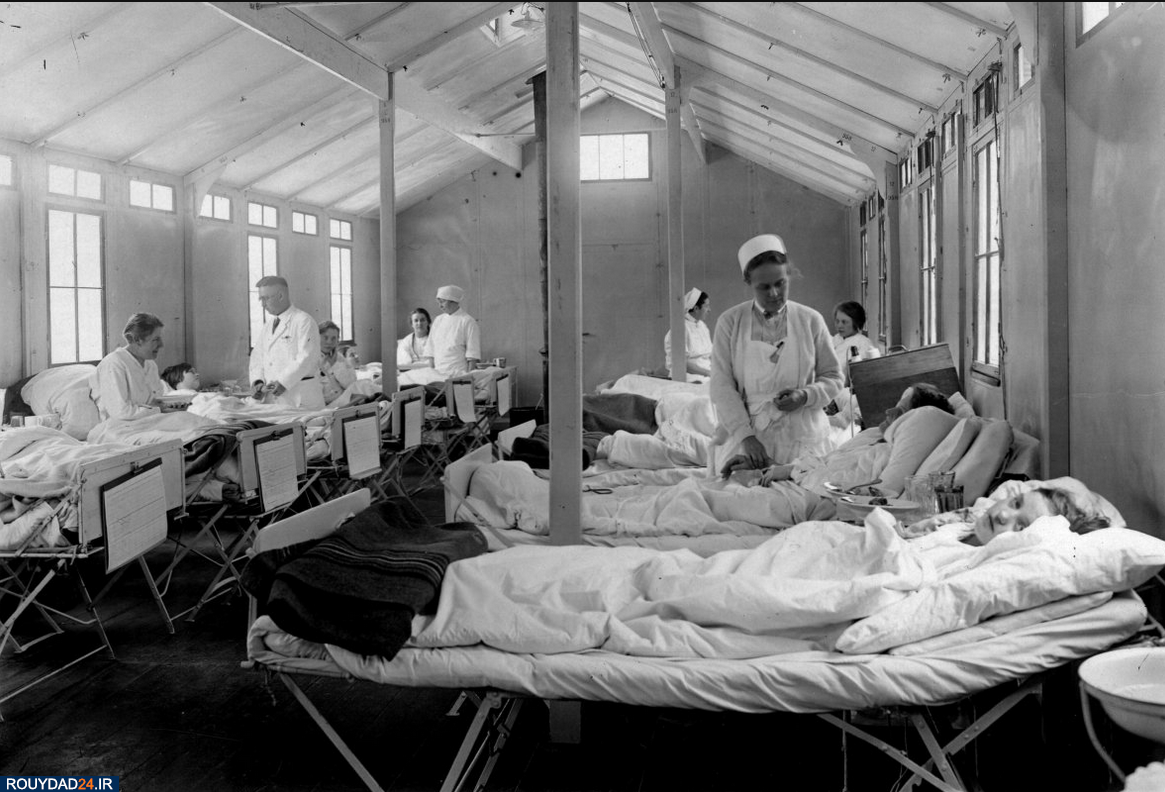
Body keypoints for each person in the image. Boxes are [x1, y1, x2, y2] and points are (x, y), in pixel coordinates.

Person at [711, 233, 842, 478]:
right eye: (764, 287)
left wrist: (805, 395)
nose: (773, 293)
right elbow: (721, 386)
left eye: (780, 283)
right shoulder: (730, 322)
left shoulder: (810, 320)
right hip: (751, 437)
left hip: (804, 436)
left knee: (805, 487)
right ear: (748, 283)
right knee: (744, 492)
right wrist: (746, 437)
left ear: (788, 275)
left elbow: (834, 377)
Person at [248, 275, 324, 409]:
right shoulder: (268, 326)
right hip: (274, 399)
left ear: (281, 296)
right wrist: (257, 381)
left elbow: (307, 357)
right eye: (261, 299)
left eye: (266, 298)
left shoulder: (303, 321)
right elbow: (257, 356)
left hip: (300, 399)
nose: (262, 304)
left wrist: (284, 382)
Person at [90, 313, 167, 421]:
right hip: (121, 426)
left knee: (188, 421)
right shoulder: (114, 363)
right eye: (155, 339)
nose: (161, 344)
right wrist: (157, 409)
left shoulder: (150, 364)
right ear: (137, 340)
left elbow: (156, 400)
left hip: (150, 420)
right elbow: (120, 413)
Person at [429, 284, 480, 376]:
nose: (440, 306)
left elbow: (472, 355)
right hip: (438, 374)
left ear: (454, 301)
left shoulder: (468, 321)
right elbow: (431, 350)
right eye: (438, 302)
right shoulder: (438, 320)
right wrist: (431, 374)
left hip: (458, 375)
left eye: (442, 302)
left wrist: (468, 378)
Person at [664, 287, 713, 382]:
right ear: (696, 308)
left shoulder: (702, 326)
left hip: (706, 374)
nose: (709, 310)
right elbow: (681, 363)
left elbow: (710, 354)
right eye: (706, 306)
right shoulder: (679, 329)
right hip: (688, 377)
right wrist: (708, 373)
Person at [318, 320, 356, 405]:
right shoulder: (309, 359)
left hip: (343, 401)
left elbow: (351, 384)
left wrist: (334, 364)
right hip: (323, 405)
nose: (329, 342)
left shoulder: (339, 358)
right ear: (317, 338)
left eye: (333, 338)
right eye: (325, 337)